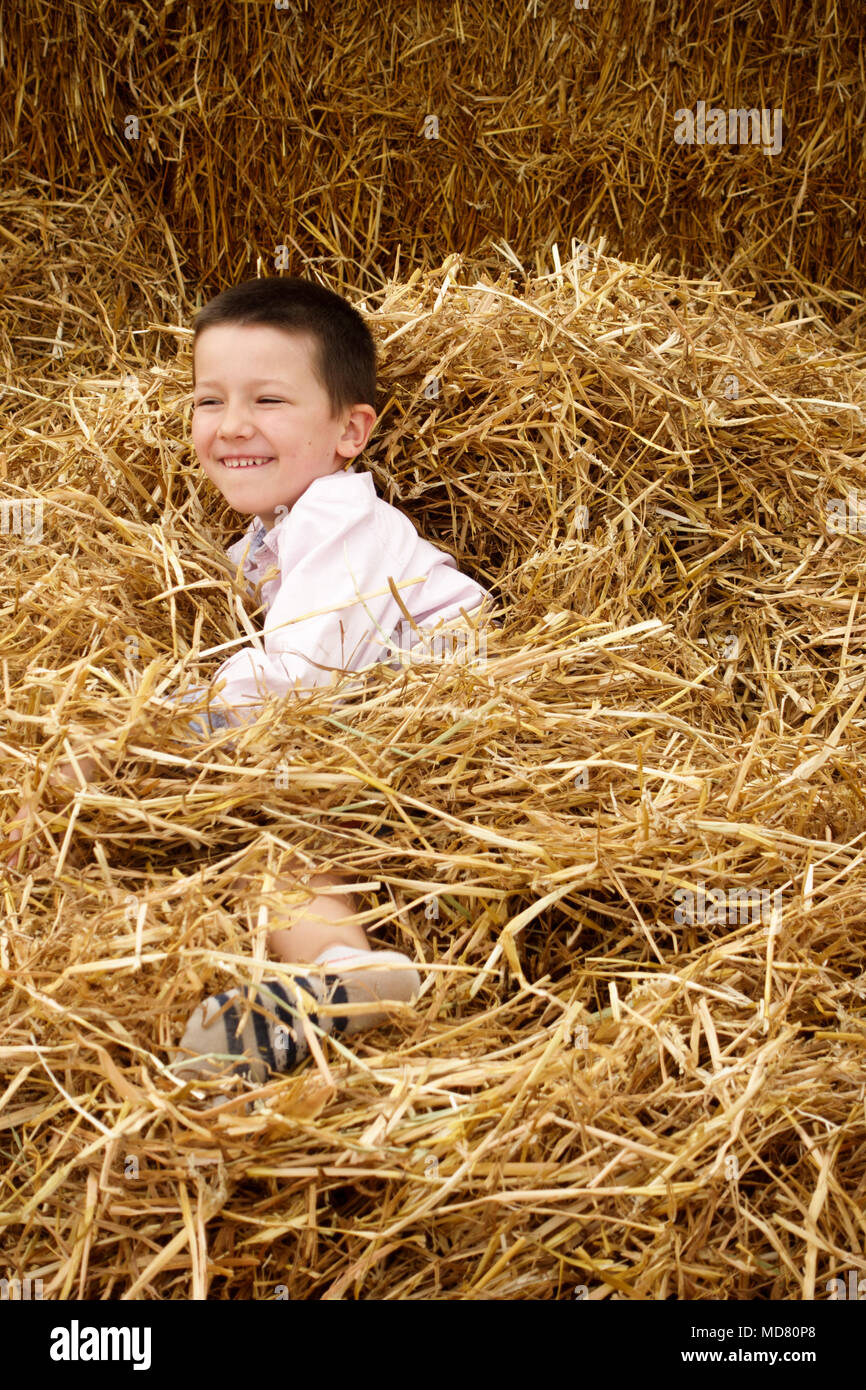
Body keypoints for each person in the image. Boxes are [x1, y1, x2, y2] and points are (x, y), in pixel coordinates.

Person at [5, 276, 497, 1085]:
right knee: (263, 833)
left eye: (269, 401)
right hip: (361, 729)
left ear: (350, 431)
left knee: (257, 802)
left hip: (450, 726)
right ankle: (341, 973)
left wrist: (138, 738)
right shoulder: (268, 540)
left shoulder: (348, 523)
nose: (232, 426)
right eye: (208, 401)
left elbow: (296, 678)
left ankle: (337, 967)